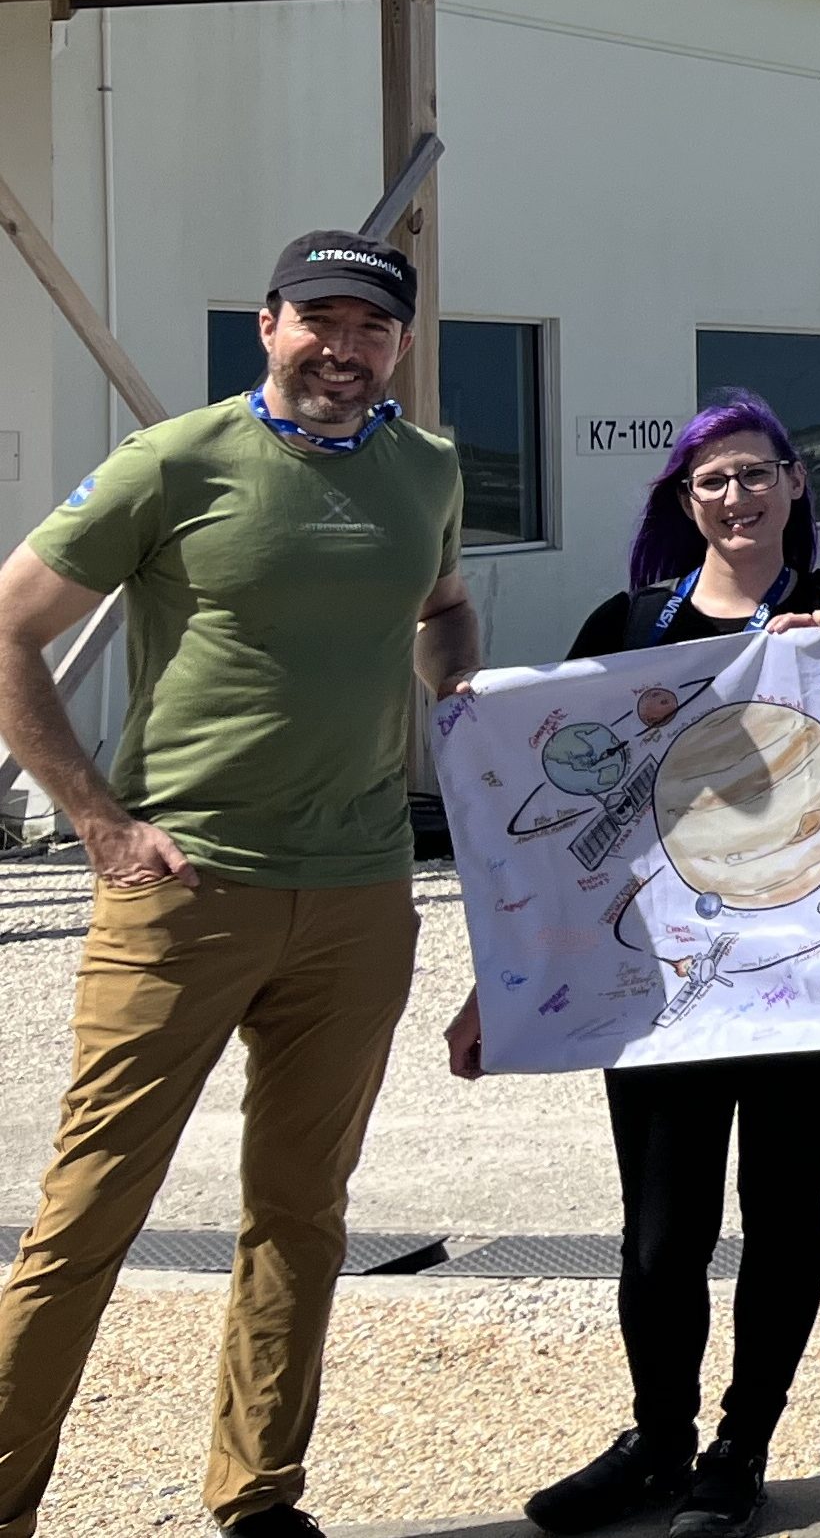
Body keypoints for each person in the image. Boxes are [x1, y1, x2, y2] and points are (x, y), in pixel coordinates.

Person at [0, 232, 477, 1538]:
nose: (342, 344)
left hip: (363, 892)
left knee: (302, 1213)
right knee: (88, 1213)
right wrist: (93, 818)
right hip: (183, 887)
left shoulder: (427, 468)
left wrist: (463, 693)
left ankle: (259, 1490)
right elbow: (9, 622)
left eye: (369, 325)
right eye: (316, 316)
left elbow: (441, 604)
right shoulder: (179, 459)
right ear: (264, 323)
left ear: (402, 345)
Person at [457, 397, 820, 1538]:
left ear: (794, 484)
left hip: (802, 974)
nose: (736, 497)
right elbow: (553, 803)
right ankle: (658, 1435)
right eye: (712, 482)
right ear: (683, 501)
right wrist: (491, 979)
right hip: (656, 978)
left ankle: (741, 1447)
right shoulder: (629, 622)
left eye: (755, 473)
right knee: (659, 1227)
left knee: (782, 1211)